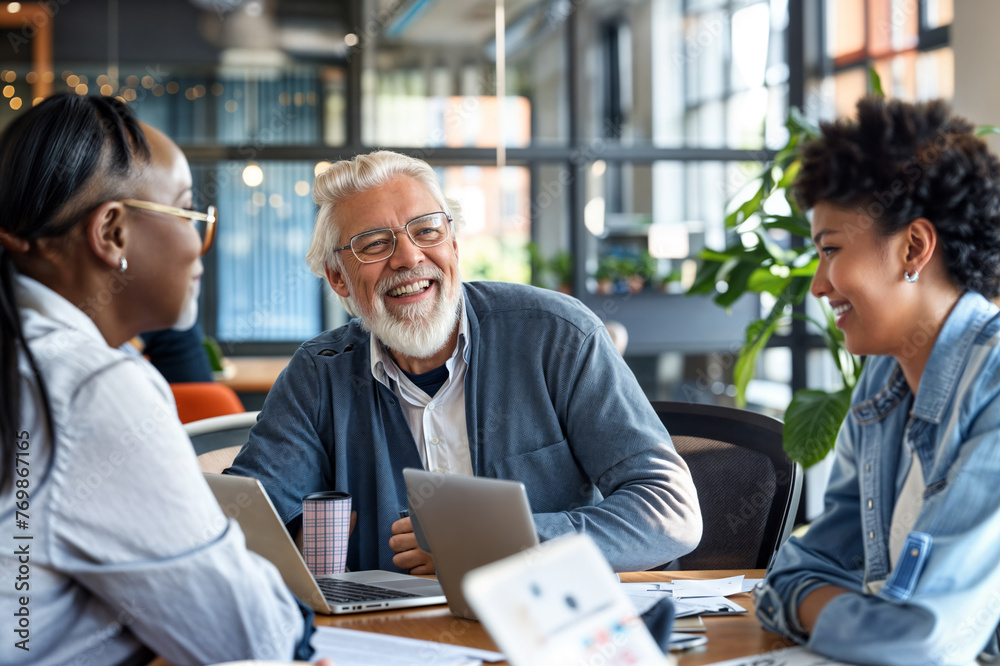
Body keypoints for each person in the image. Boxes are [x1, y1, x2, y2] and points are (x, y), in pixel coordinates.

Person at [225, 150, 702, 575]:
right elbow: (244, 518)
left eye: (427, 231)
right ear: (338, 278)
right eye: (374, 244)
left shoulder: (556, 336)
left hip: (549, 629)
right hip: (391, 641)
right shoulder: (318, 374)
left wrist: (503, 542)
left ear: (453, 244)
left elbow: (670, 511)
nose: (409, 257)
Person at [0, 94, 317, 665]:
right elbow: (252, 638)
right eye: (191, 215)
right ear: (113, 234)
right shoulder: (88, 386)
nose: (200, 248)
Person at [755, 96, 1000, 665]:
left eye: (831, 250)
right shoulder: (885, 376)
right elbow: (796, 571)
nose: (819, 284)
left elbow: (919, 639)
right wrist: (860, 618)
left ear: (913, 247)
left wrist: (836, 611)